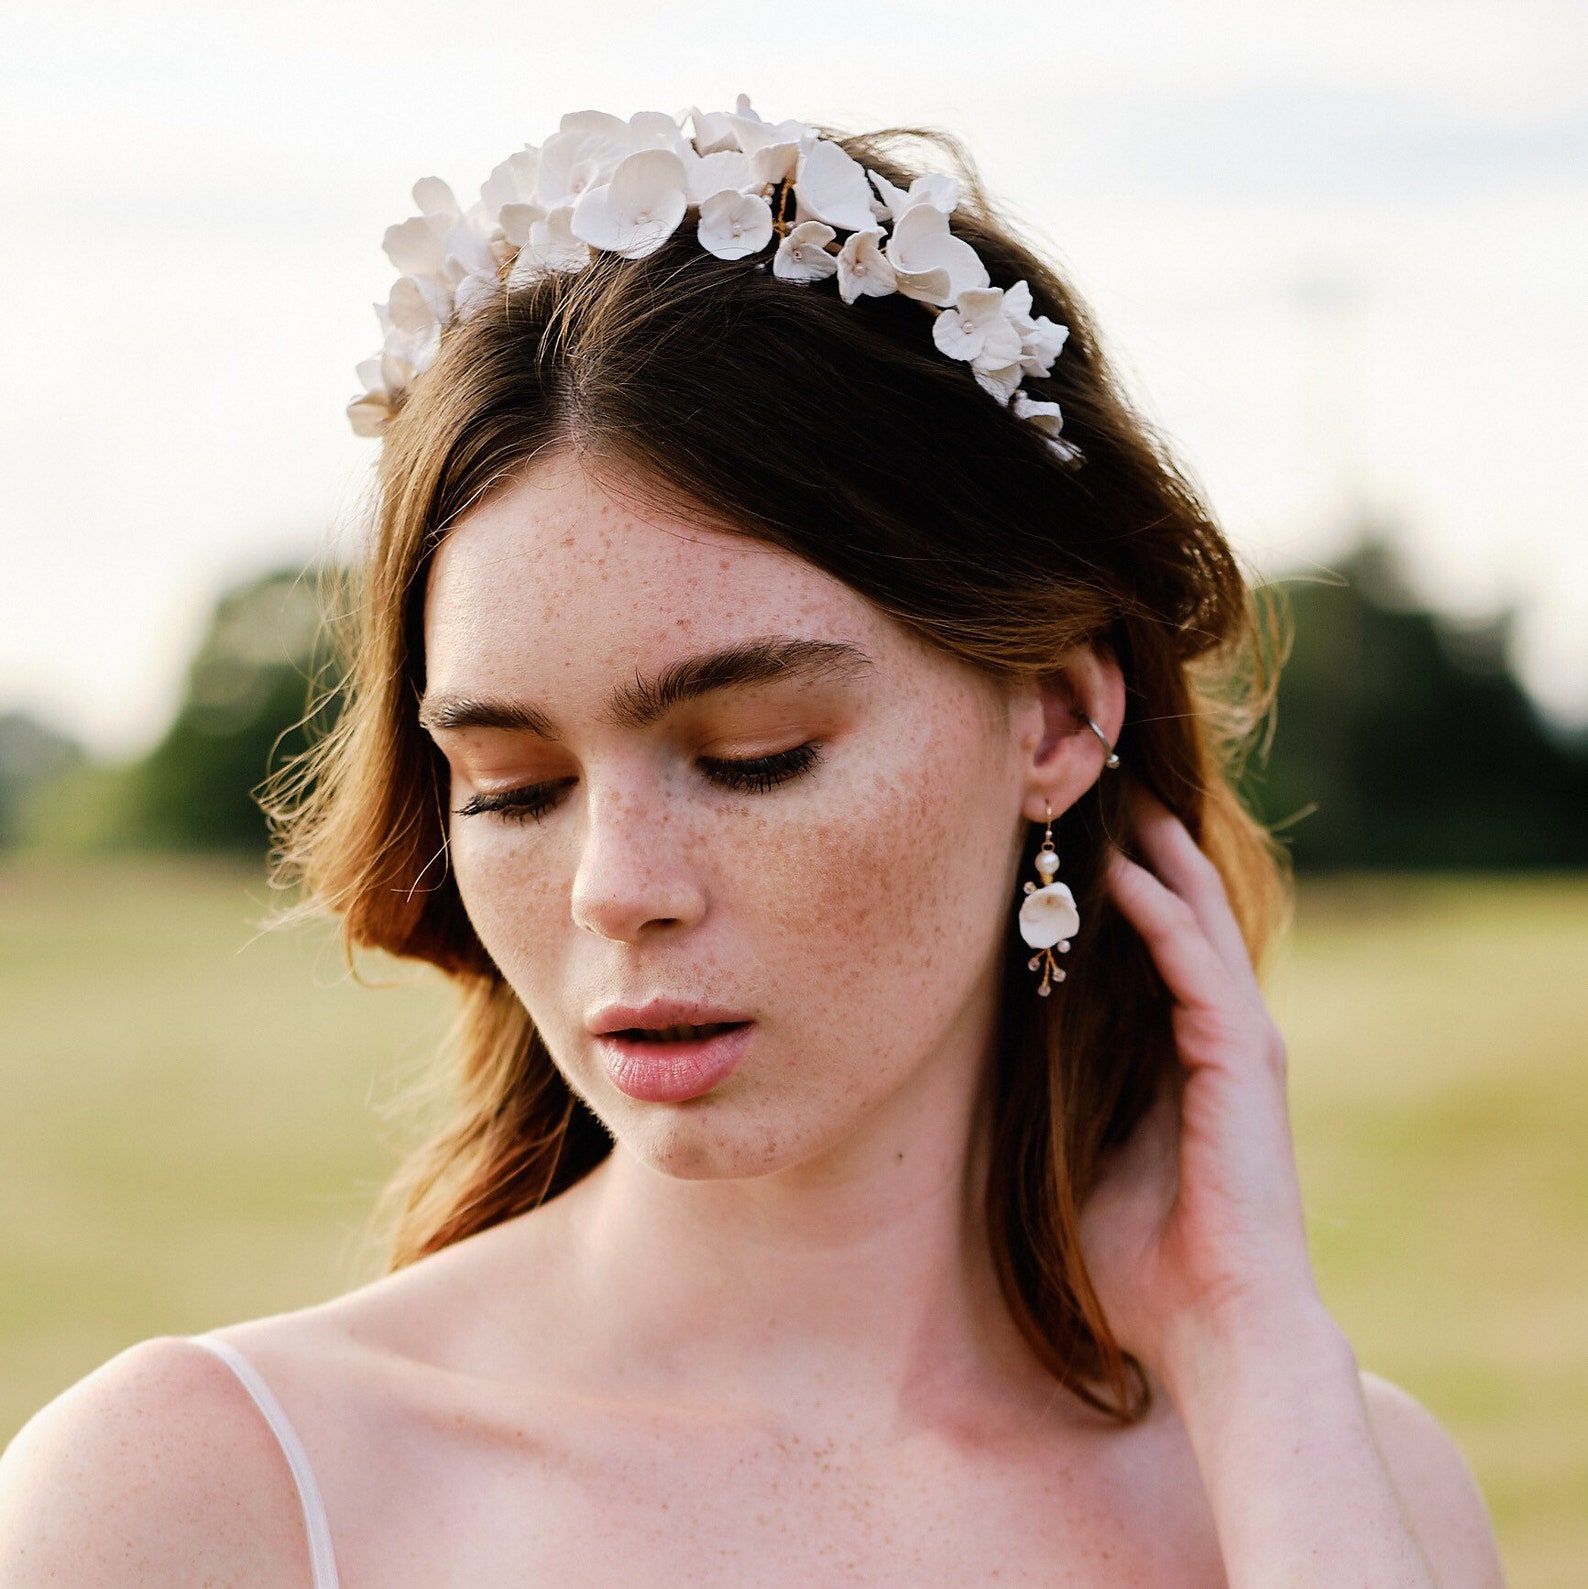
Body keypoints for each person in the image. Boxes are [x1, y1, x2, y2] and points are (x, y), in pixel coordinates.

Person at [0, 103, 1503, 1586]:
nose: (616, 889)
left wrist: (1251, 1338)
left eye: (754, 756)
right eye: (514, 786)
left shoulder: (1339, 1484)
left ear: (1053, 718)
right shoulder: (193, 1499)